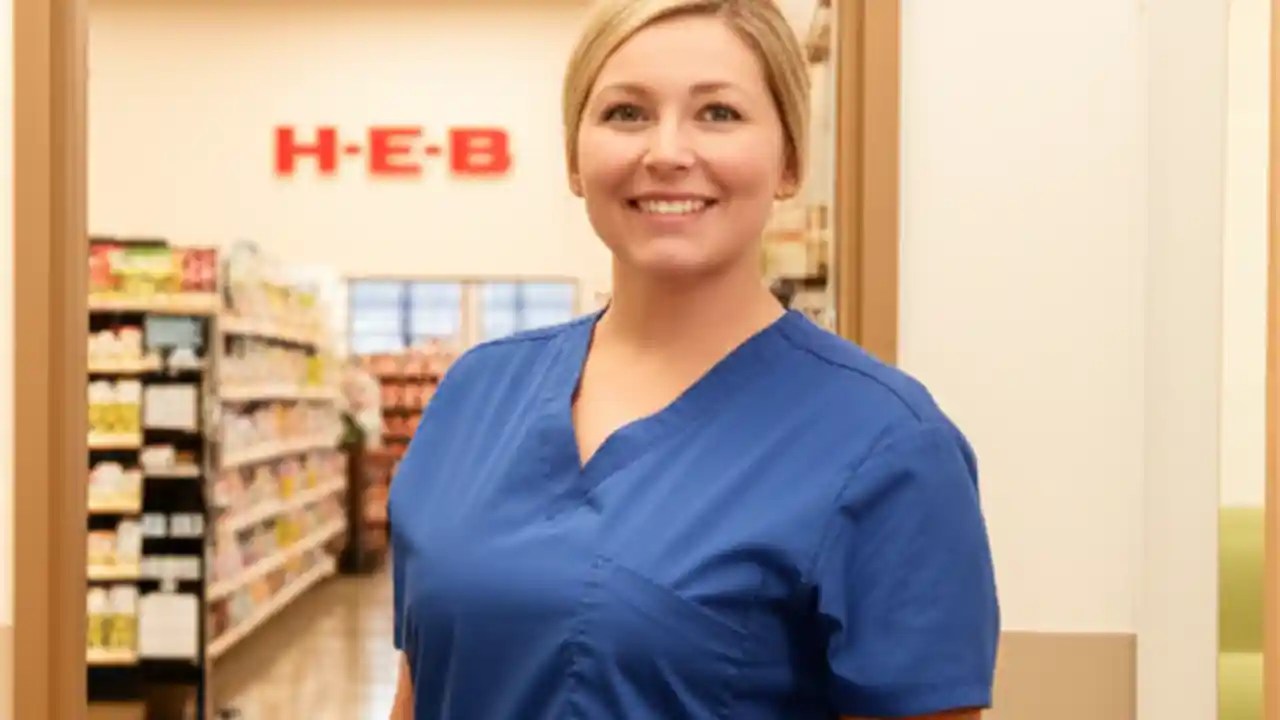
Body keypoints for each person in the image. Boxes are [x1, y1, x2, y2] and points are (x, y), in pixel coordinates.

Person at [387, 0, 1000, 718]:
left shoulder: (888, 444)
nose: (668, 152)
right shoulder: (475, 395)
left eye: (718, 114)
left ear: (790, 160)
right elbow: (421, 689)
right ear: (574, 159)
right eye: (625, 113)